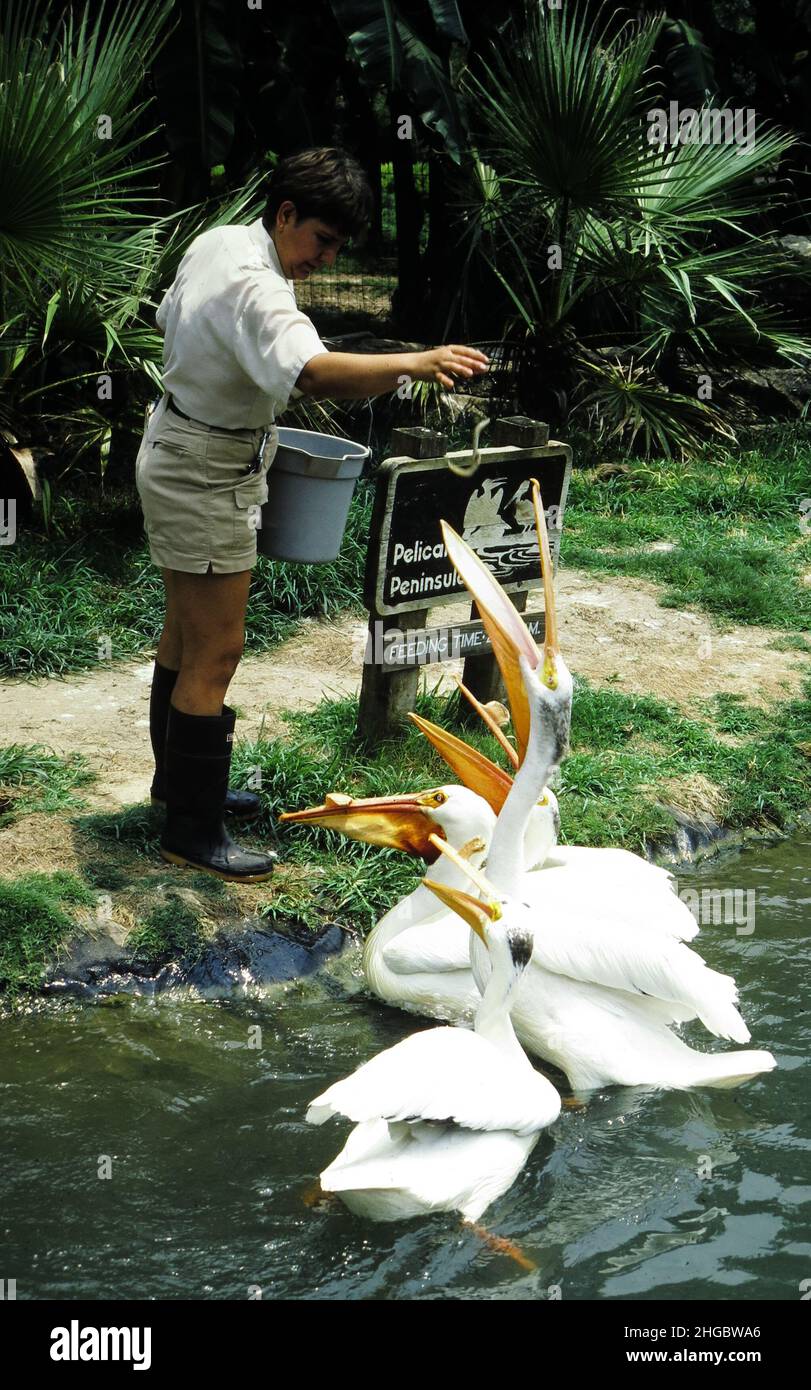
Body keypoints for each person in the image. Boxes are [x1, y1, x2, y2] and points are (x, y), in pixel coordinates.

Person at [135, 146, 489, 884]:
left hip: (180, 440)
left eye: (336, 247)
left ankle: (181, 790)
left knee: (186, 634)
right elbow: (313, 372)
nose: (325, 259)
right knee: (218, 651)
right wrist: (414, 361)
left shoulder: (219, 241)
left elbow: (183, 323)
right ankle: (191, 833)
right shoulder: (256, 285)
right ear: (286, 213)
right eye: (322, 240)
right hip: (204, 466)